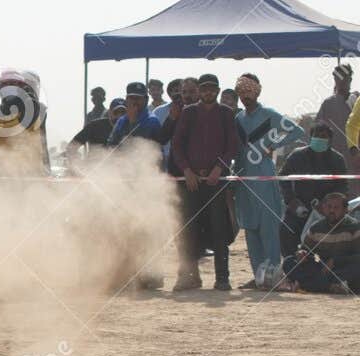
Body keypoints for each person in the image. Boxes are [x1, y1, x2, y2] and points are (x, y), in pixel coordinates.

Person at [170, 73, 240, 290]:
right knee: (188, 229)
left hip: (215, 181)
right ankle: (190, 276)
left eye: (212, 89)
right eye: (204, 88)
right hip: (191, 181)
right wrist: (187, 170)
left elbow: (232, 146)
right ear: (199, 90)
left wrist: (219, 168)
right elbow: (177, 144)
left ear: (218, 91)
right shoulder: (189, 112)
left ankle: (222, 278)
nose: (208, 92)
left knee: (219, 229)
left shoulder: (226, 114)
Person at [235, 73, 305, 289]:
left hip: (264, 177)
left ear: (257, 91)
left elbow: (297, 131)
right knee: (251, 228)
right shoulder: (238, 119)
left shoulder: (269, 114)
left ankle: (274, 274)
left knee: (268, 228)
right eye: (241, 91)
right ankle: (259, 277)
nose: (245, 95)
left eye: (249, 91)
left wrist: (273, 145)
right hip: (243, 178)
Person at [278, 122, 351, 252]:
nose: (320, 139)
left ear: (329, 140)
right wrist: (292, 201)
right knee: (286, 230)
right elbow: (283, 178)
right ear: (311, 137)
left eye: (323, 137)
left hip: (327, 211)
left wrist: (327, 205)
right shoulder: (297, 156)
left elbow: (342, 186)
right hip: (300, 207)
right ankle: (291, 263)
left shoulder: (337, 159)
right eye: (316, 136)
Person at [280, 190, 360, 292]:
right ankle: (331, 286)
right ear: (323, 208)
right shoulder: (316, 227)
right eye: (329, 207)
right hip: (320, 267)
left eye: (336, 208)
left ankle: (309, 284)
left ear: (345, 210)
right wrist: (301, 254)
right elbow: (306, 251)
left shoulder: (354, 227)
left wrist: (336, 261)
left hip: (343, 267)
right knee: (289, 262)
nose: (332, 210)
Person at [109, 81, 163, 149]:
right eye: (132, 98)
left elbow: (137, 145)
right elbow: (111, 144)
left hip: (146, 158)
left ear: (146, 99)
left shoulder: (152, 120)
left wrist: (132, 122)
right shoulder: (121, 120)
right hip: (121, 158)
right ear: (127, 99)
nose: (135, 101)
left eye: (138, 98)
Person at [317, 64, 354, 149]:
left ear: (350, 79)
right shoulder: (327, 104)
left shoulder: (356, 101)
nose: (341, 81)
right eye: (338, 78)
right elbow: (319, 129)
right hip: (333, 154)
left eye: (344, 78)